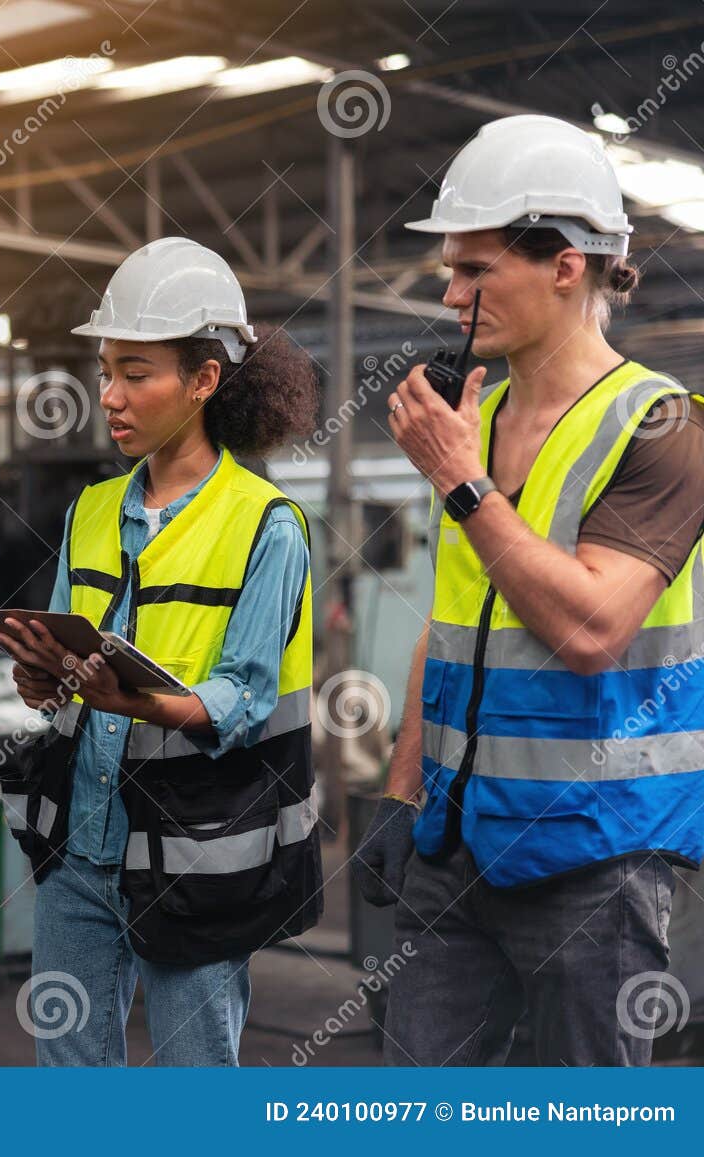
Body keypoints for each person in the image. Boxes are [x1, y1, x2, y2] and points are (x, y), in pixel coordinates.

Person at [352, 114, 704, 1065]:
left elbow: (593, 627)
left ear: (567, 265)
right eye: (451, 271)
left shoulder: (662, 424)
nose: (453, 293)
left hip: (597, 860)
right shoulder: (481, 414)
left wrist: (464, 486)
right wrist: (399, 790)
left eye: (478, 271)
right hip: (454, 846)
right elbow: (455, 620)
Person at [0, 237, 322, 1065]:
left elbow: (244, 699)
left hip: (196, 855)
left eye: (137, 373)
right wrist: (43, 673)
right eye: (106, 371)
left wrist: (140, 703)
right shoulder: (91, 510)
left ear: (205, 379)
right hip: (80, 848)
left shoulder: (266, 524)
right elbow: (71, 657)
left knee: (192, 1081)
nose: (111, 395)